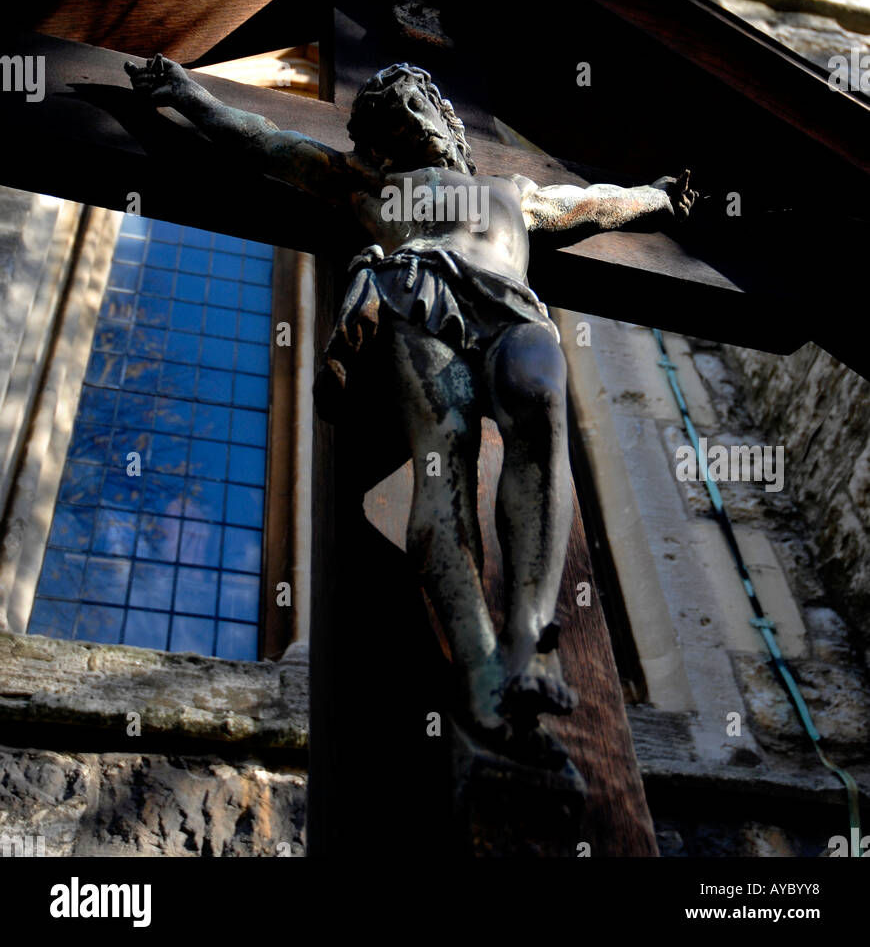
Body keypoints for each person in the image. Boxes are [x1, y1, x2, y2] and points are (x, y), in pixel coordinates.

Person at [126, 54, 696, 772]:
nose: (407, 107)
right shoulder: (367, 183)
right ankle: (483, 664)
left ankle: (528, 634)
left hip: (510, 304)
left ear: (445, 120)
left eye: (418, 96)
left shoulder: (512, 191)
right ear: (379, 139)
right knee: (444, 456)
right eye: (389, 105)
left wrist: (659, 196)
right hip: (417, 297)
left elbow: (594, 203)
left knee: (540, 402)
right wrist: (187, 92)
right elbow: (261, 138)